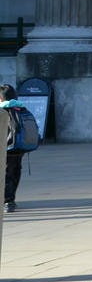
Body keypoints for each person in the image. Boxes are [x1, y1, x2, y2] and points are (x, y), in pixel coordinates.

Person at [2, 83, 32, 213]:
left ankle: (7, 201)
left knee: (5, 173)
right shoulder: (21, 108)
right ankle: (10, 199)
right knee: (15, 171)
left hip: (6, 146)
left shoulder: (3, 110)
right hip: (19, 146)